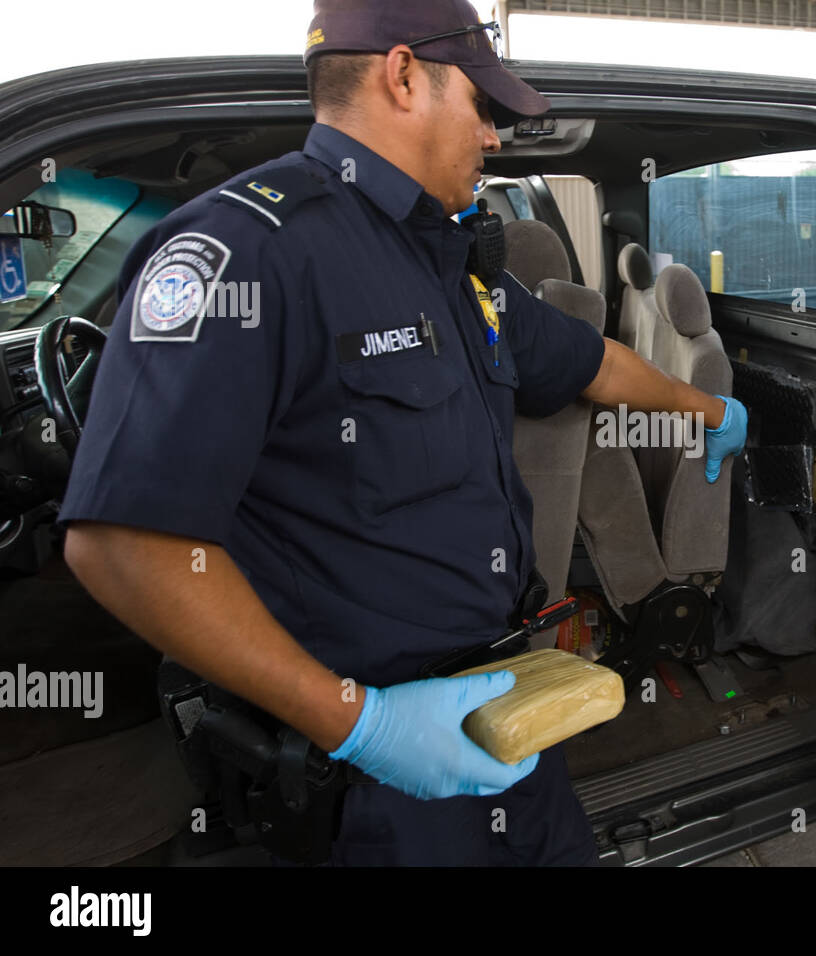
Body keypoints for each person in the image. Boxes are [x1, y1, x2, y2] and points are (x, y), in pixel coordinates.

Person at [59, 0, 748, 866]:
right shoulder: (249, 253)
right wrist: (361, 725)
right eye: (483, 106)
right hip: (370, 773)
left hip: (506, 711)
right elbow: (122, 543)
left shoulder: (453, 263)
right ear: (403, 75)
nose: (494, 138)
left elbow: (593, 363)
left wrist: (713, 410)